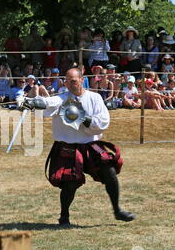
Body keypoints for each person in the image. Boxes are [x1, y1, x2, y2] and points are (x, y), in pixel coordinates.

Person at [19, 68, 135, 227]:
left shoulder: (94, 98)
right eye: (67, 81)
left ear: (81, 80)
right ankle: (64, 217)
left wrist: (82, 118)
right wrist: (31, 102)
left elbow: (103, 122)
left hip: (90, 145)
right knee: (70, 182)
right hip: (68, 146)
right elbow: (48, 103)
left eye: (73, 80)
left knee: (109, 172)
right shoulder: (61, 99)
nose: (70, 84)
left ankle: (117, 210)